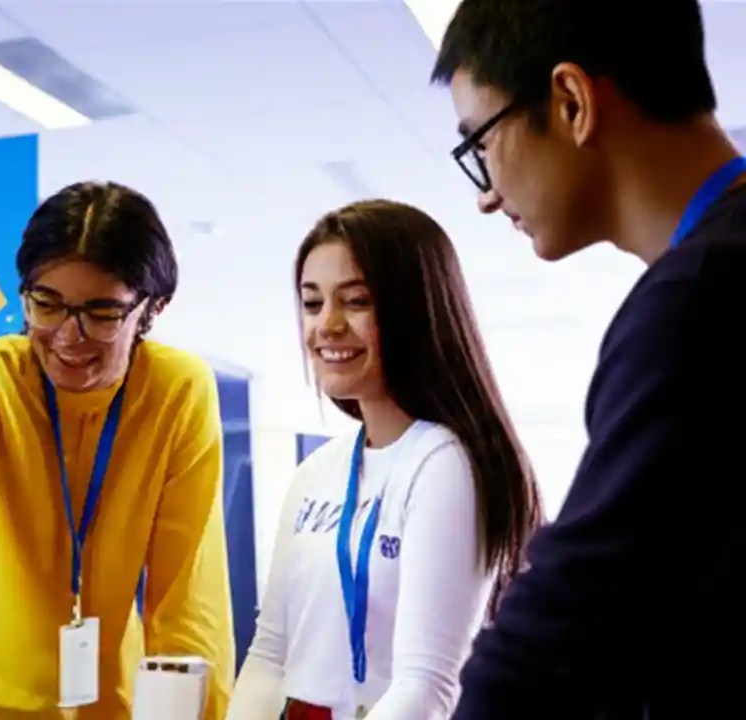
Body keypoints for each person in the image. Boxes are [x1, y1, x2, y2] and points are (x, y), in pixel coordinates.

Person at [430, 1, 746, 717]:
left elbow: (562, 634)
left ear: (571, 101)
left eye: (480, 142)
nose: (484, 196)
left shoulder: (696, 303)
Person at [0, 180, 235, 720]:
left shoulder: (178, 391)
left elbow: (188, 598)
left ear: (151, 309)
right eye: (46, 304)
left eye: (101, 313)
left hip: (115, 709)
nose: (67, 336)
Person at [226, 200, 542, 720]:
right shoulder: (317, 473)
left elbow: (427, 684)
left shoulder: (443, 464)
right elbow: (269, 653)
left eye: (355, 301)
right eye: (311, 303)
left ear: (414, 311)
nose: (326, 325)